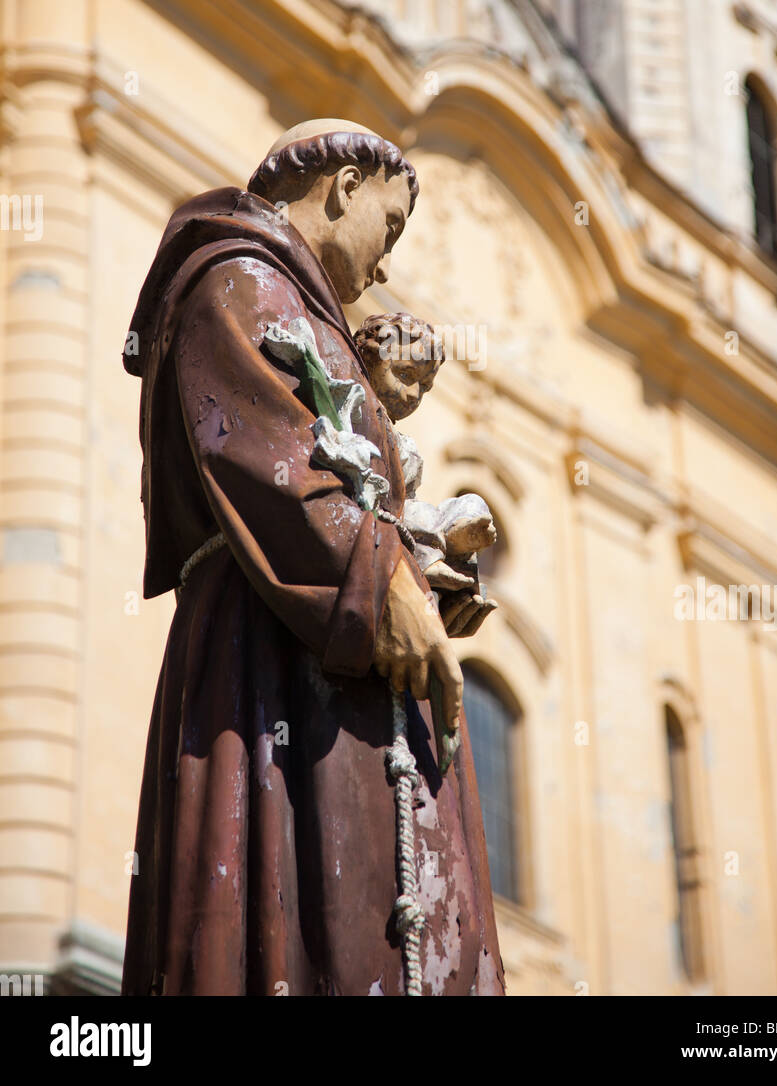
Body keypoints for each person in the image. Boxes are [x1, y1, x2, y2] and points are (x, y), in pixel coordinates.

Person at [120, 118, 505, 996]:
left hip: (340, 664)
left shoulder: (300, 305)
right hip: (269, 668)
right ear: (341, 187)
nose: (384, 268)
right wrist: (382, 579)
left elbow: (337, 480)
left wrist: (421, 555)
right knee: (296, 918)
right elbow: (260, 458)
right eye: (391, 227)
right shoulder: (234, 274)